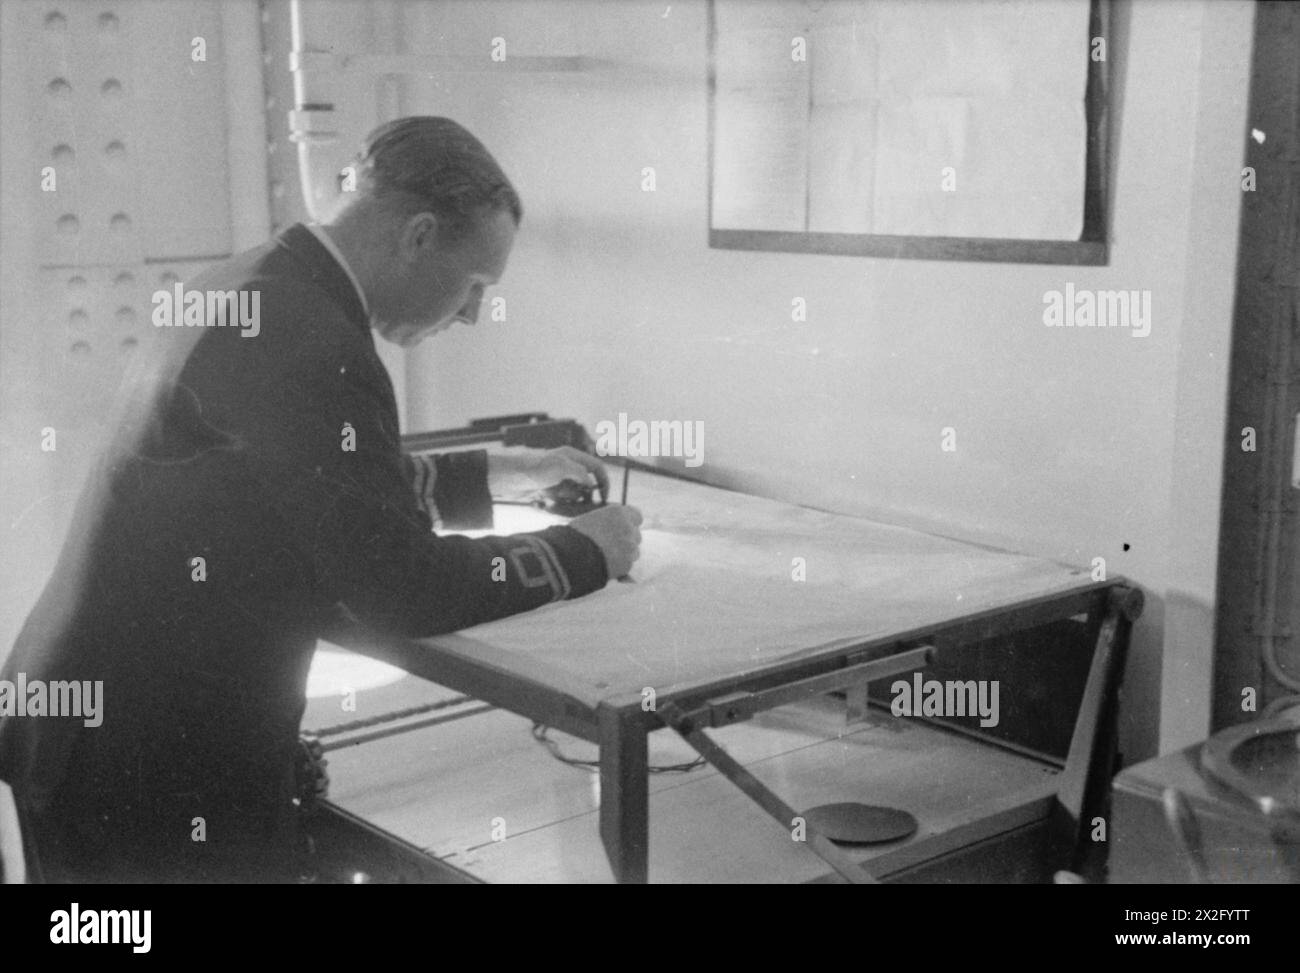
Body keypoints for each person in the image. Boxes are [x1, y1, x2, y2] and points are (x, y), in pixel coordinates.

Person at [0, 116, 641, 882]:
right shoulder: (316, 345)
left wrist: (497, 471)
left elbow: (311, 490)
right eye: (475, 286)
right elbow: (404, 588)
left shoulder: (257, 280)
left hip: (93, 730)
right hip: (152, 768)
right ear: (419, 235)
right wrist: (587, 550)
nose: (472, 314)